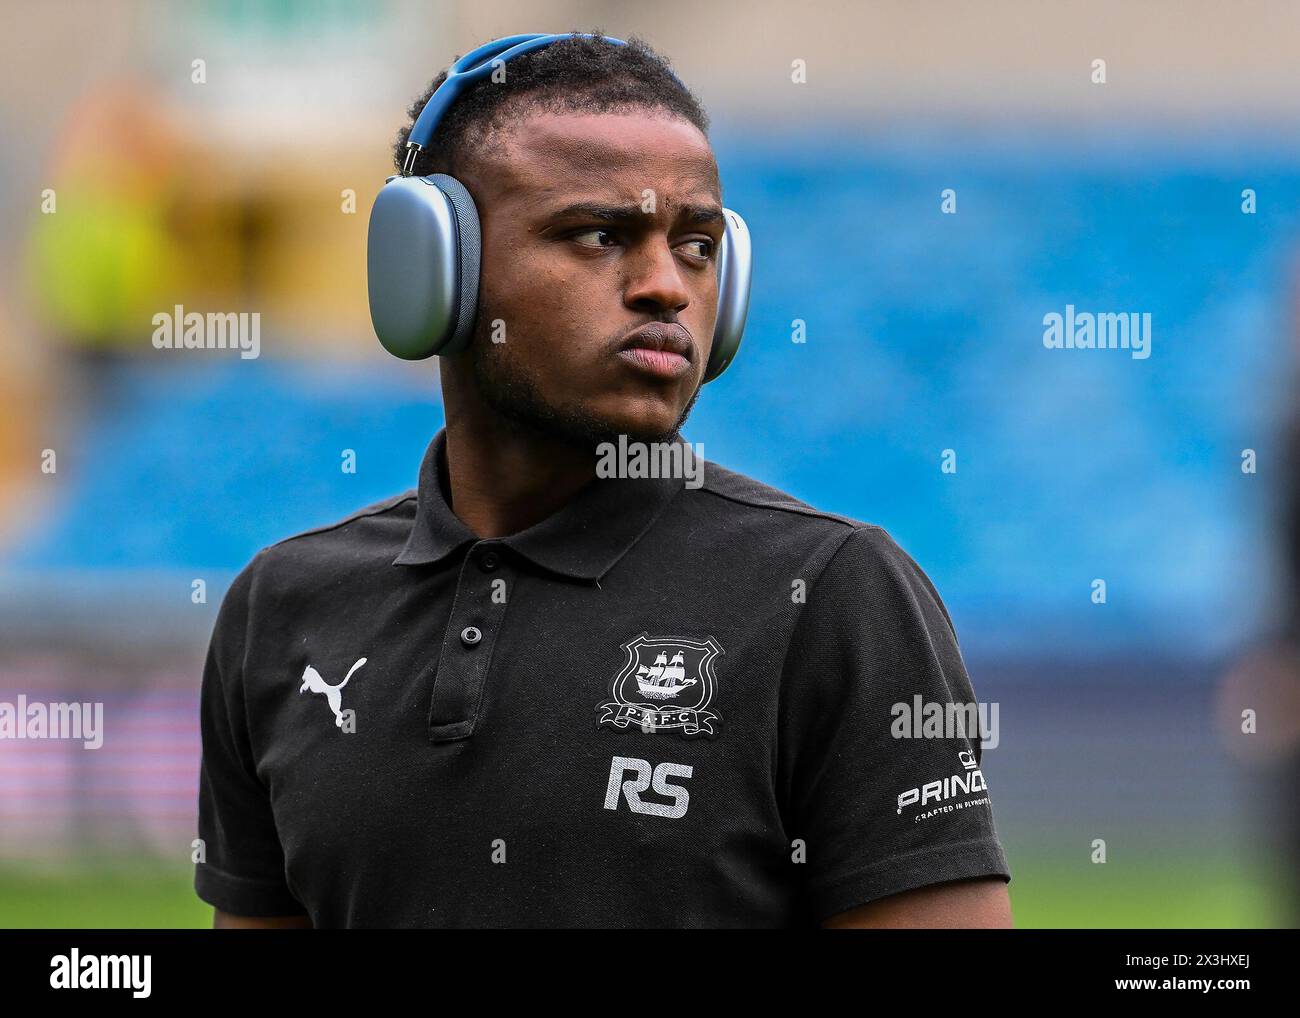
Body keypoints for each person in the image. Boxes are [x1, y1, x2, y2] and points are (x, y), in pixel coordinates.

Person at [194, 31, 1012, 929]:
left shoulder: (831, 595)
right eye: (599, 235)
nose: (666, 286)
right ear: (433, 270)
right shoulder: (280, 609)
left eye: (697, 246)